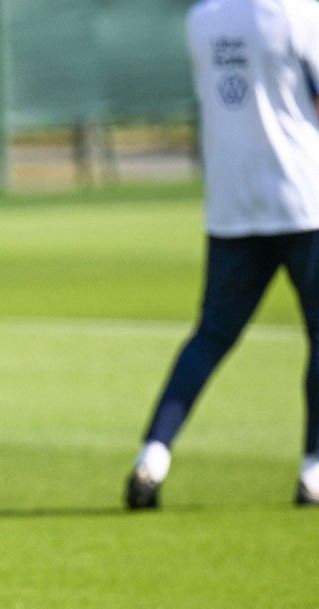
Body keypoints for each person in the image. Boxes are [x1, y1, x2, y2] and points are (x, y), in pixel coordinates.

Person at [126, 0, 319, 510]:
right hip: (305, 199)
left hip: (233, 205)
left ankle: (152, 457)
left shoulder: (202, 19)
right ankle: (314, 471)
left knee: (211, 335)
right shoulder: (300, 13)